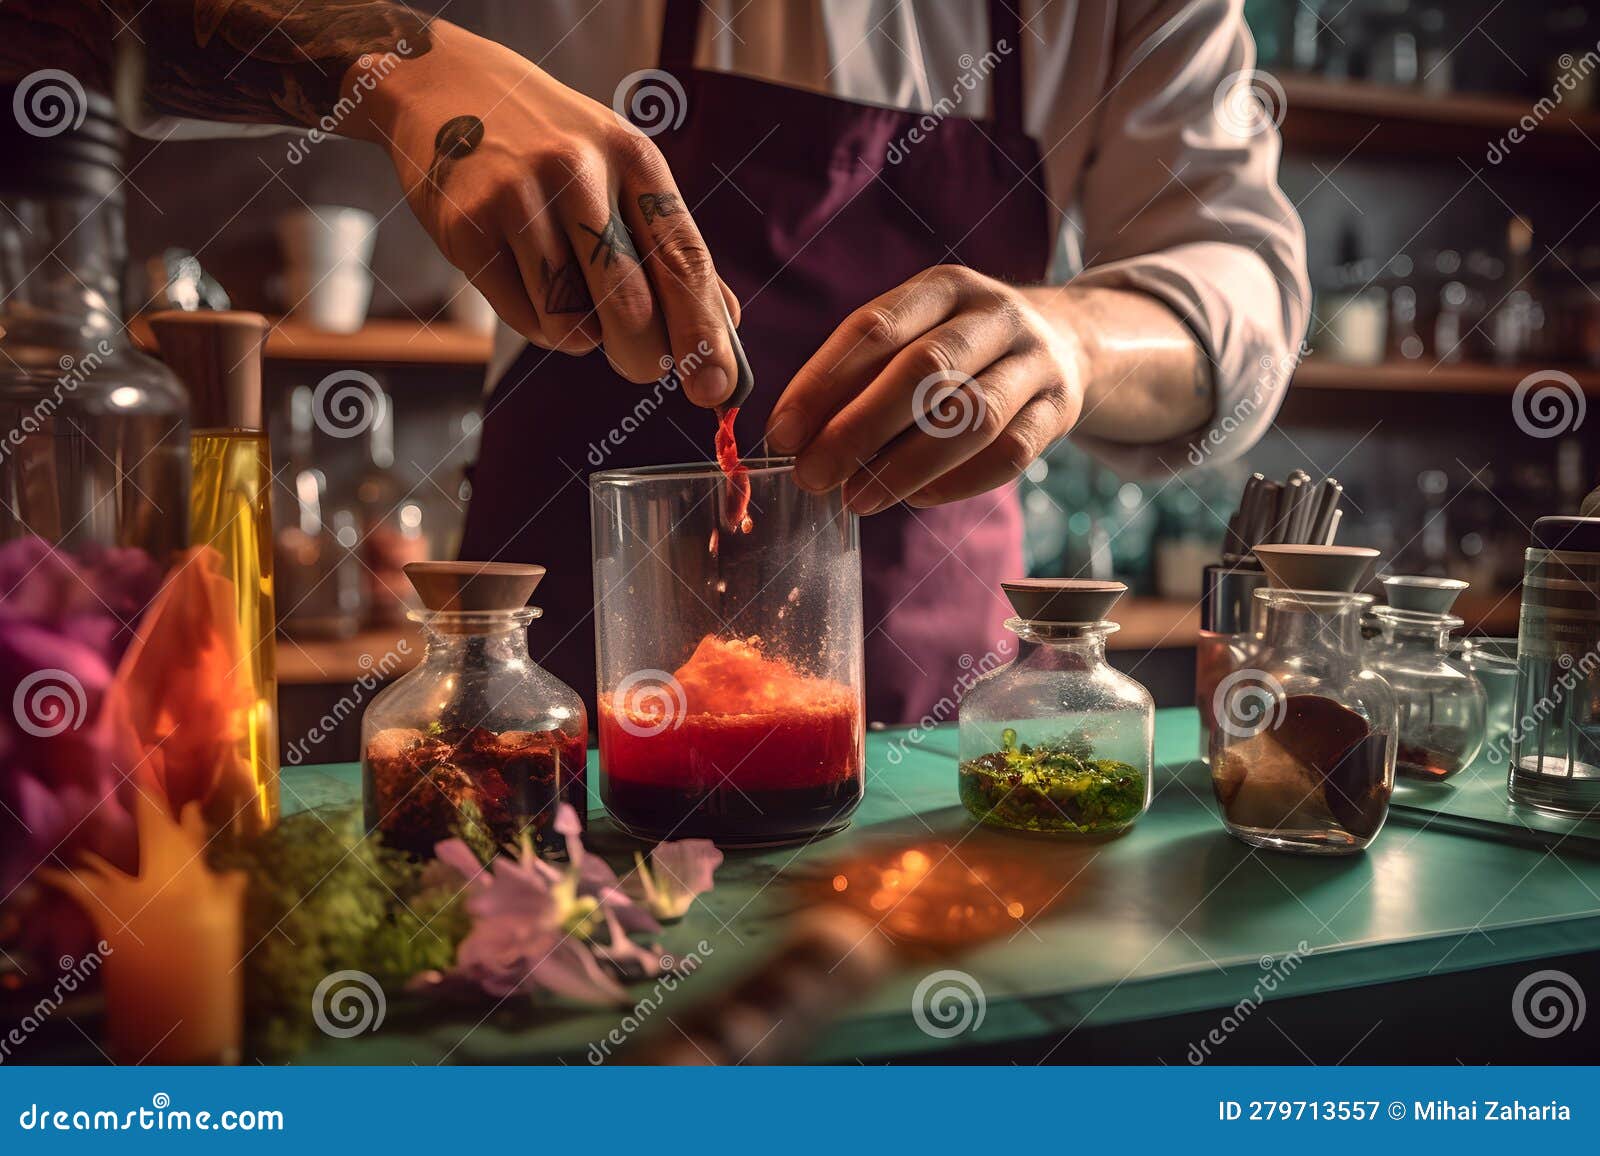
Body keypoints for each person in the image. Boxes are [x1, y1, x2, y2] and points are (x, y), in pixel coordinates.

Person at [2, 0, 1307, 723]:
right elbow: (58, 24)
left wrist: (1075, 338)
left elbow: (1245, 282)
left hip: (932, 702)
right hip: (549, 696)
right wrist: (395, 60)